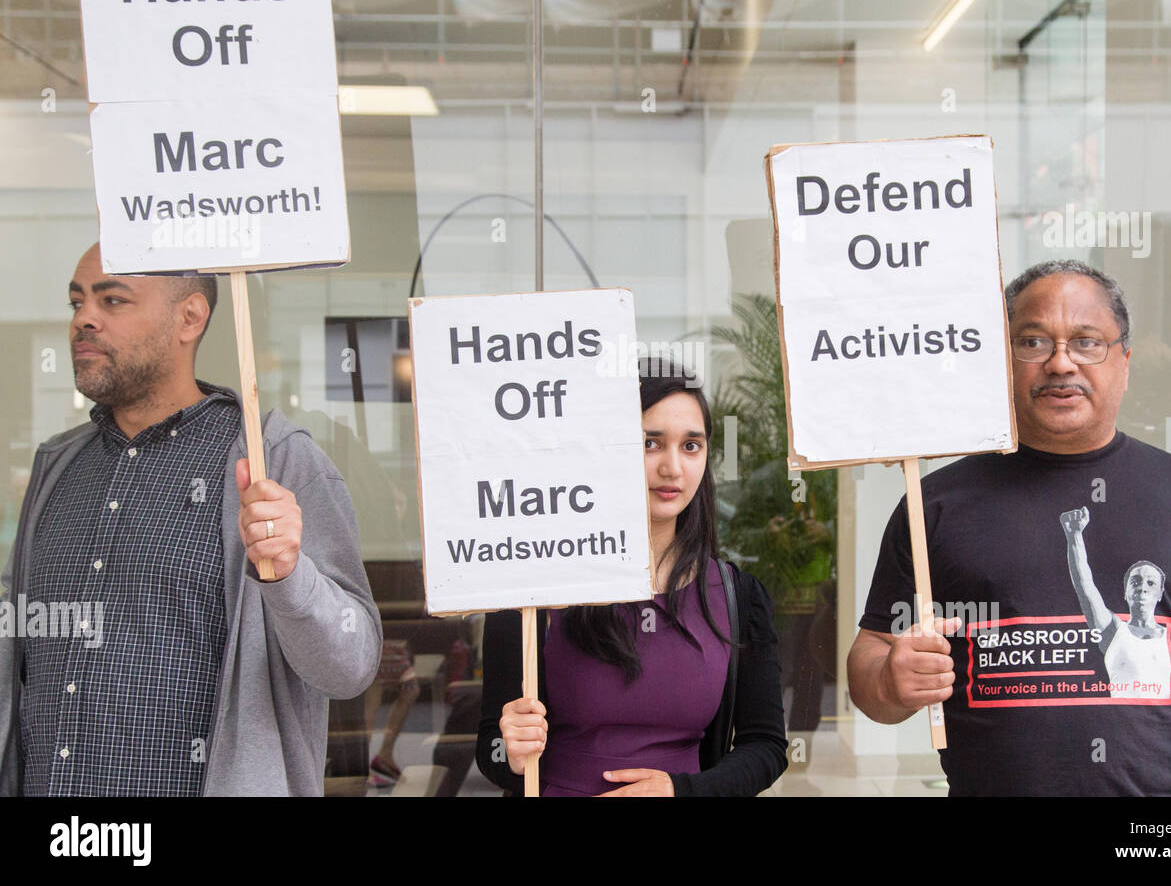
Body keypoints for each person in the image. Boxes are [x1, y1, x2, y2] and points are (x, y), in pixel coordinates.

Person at [847, 259, 1171, 795]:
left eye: (1087, 342)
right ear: (1001, 360)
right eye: (1033, 342)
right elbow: (871, 658)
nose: (1061, 363)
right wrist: (890, 682)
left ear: (1124, 362)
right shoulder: (934, 506)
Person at [0, 245, 382, 796]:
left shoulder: (272, 458)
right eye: (76, 301)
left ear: (191, 317)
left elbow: (350, 667)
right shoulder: (57, 466)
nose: (84, 317)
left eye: (113, 299)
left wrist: (291, 576)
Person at [475, 359, 788, 796]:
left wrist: (680, 792)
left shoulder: (738, 596)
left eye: (691, 446)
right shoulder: (532, 587)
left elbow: (766, 746)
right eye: (650, 443)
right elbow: (490, 751)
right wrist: (509, 751)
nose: (673, 468)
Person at [1061, 506, 1171, 699]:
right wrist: (1074, 535)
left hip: (1163, 728)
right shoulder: (1113, 631)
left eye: (1150, 582)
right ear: (1126, 592)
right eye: (1135, 582)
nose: (1142, 587)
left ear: (1160, 593)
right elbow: (1084, 586)